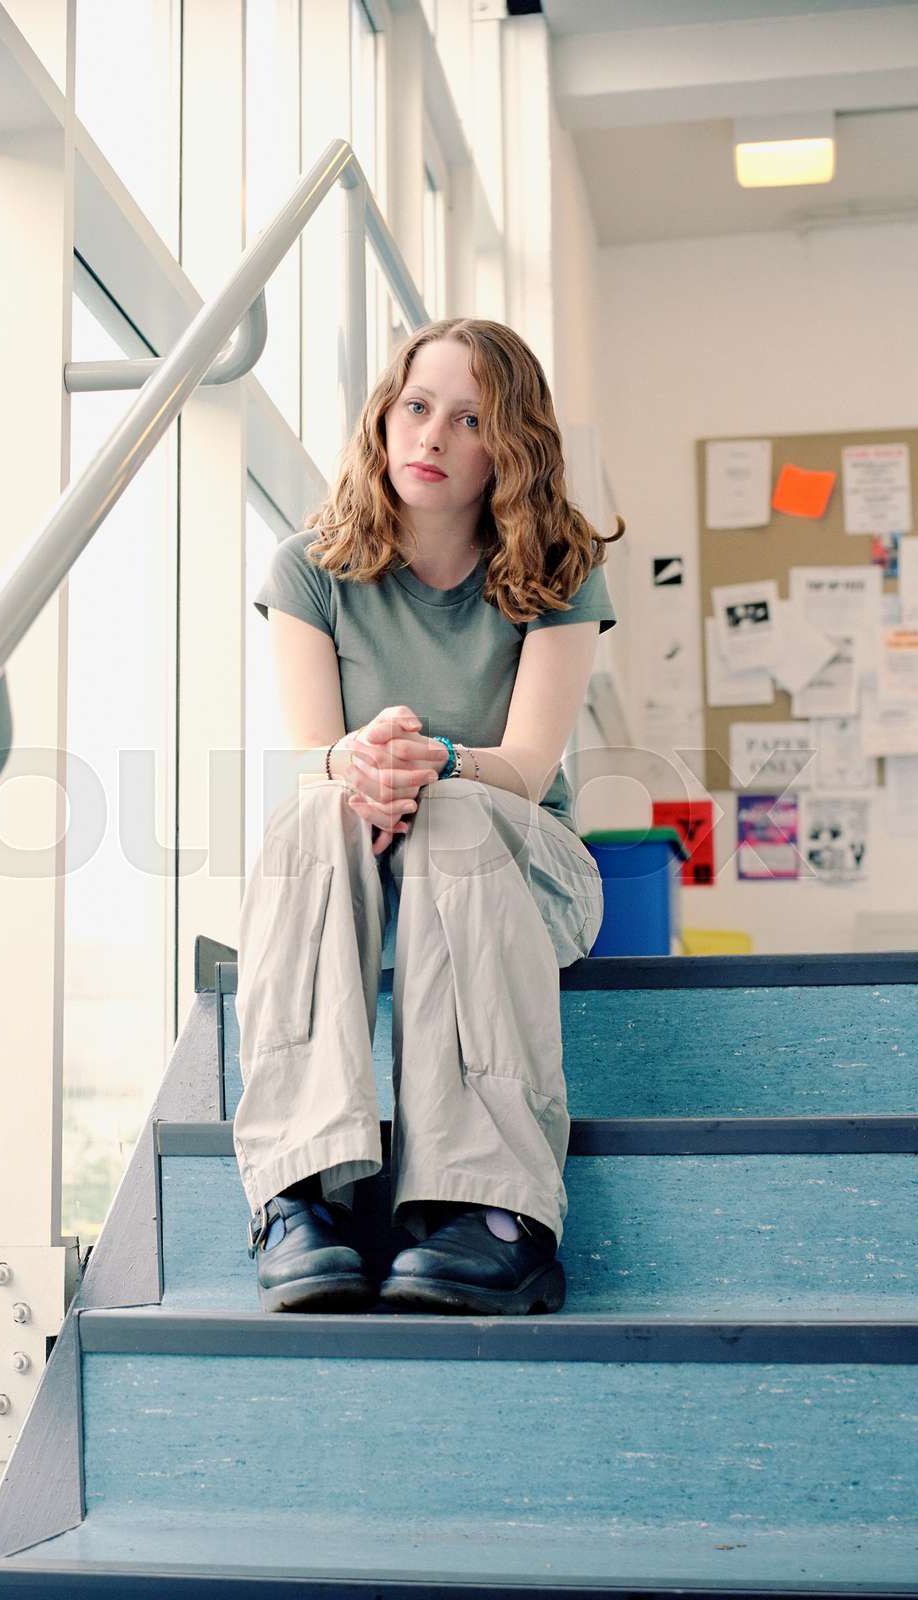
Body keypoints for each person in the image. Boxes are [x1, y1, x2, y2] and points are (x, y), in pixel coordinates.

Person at [236, 317, 625, 1317]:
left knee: (451, 812)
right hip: (361, 847)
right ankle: (300, 1192)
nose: (432, 436)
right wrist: (363, 762)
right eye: (417, 407)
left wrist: (434, 760)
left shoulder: (560, 570)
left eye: (468, 418)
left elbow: (529, 770)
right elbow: (319, 754)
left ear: (512, 447)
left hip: (519, 865)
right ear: (384, 416)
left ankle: (496, 1209)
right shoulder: (307, 570)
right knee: (310, 814)